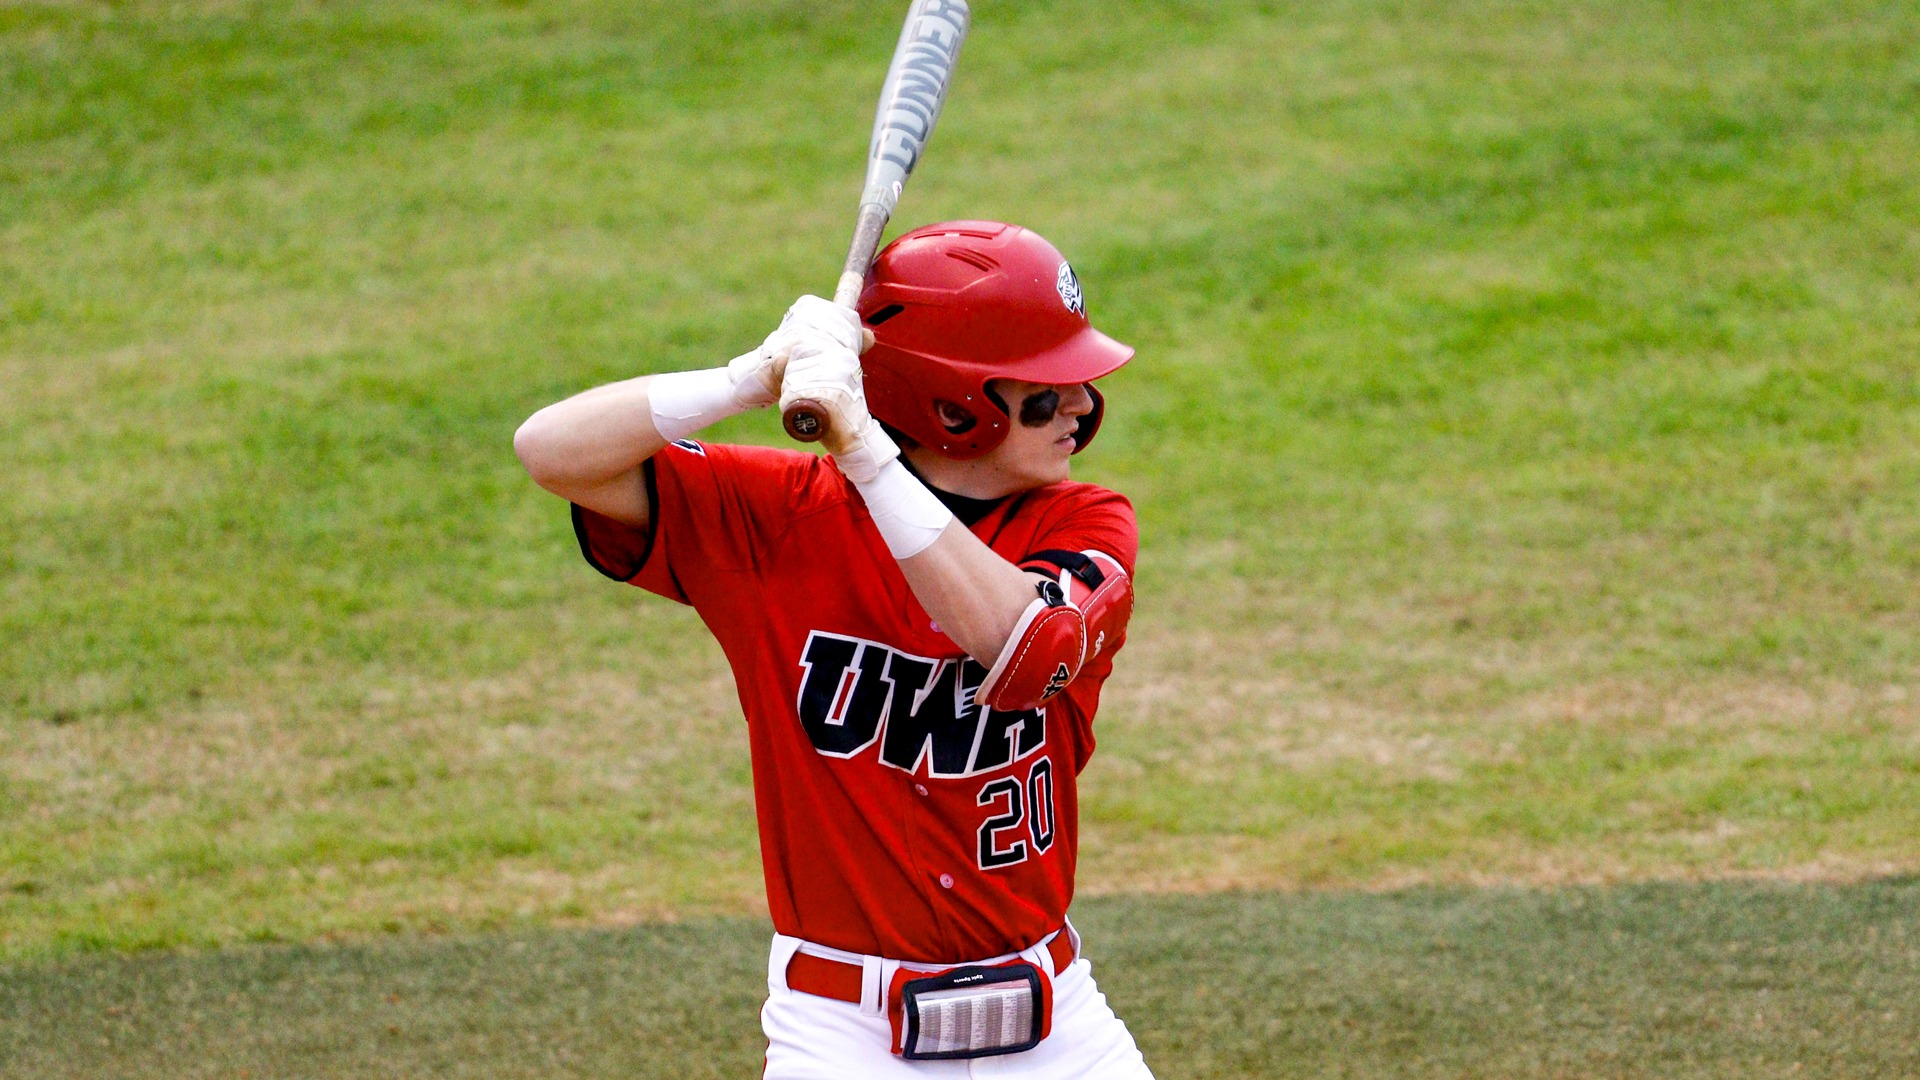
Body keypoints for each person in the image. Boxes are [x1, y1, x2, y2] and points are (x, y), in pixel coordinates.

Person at [515, 220, 1154, 1077]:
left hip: (1058, 1025)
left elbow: (1024, 646)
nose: (1080, 404)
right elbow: (549, 450)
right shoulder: (772, 519)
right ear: (952, 401)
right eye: (1045, 388)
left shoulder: (1084, 521)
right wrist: (750, 376)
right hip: (843, 1035)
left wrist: (865, 452)